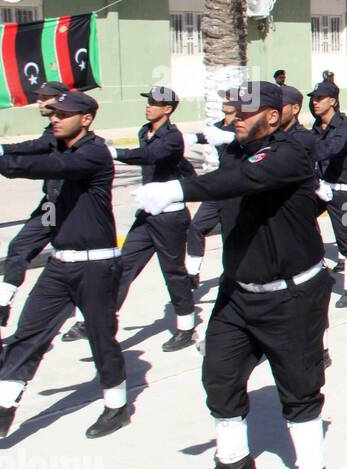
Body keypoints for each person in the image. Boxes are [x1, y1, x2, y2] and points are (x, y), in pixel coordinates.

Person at [139, 81, 331, 469]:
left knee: (298, 385)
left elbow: (248, 177)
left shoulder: (291, 151)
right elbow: (231, 176)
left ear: (273, 116)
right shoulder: (237, 153)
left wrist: (178, 189)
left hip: (291, 296)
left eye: (243, 114)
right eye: (231, 113)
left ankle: (311, 467)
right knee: (219, 375)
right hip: (239, 292)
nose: (234, 120)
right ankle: (234, 461)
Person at [0, 91, 130, 440]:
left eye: (63, 114)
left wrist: (5, 161)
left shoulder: (93, 153)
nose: (55, 119)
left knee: (101, 338)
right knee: (29, 333)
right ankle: (5, 405)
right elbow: (32, 153)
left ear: (86, 119)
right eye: (53, 113)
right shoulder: (58, 147)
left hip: (96, 266)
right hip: (59, 265)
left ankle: (117, 406)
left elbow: (49, 167)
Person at [93, 86, 198, 352]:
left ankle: (186, 328)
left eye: (154, 102)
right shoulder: (144, 131)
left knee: (173, 272)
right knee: (123, 265)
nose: (148, 106)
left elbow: (151, 156)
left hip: (170, 216)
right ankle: (102, 321)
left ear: (168, 109)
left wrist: (114, 152)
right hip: (148, 214)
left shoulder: (172, 138)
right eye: (148, 101)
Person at [0, 81, 65, 328]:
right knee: (21, 246)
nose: (39, 101)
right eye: (39, 97)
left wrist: (3, 150)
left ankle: (88, 319)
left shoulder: (66, 131)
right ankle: (3, 302)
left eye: (45, 98)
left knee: (75, 265)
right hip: (52, 207)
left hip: (72, 208)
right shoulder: (52, 129)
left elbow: (37, 147)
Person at [309, 81, 347, 308]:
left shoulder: (343, 127)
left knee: (346, 239)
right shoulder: (316, 126)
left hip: (344, 193)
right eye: (313, 98)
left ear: (333, 101)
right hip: (321, 188)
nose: (315, 102)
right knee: (301, 219)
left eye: (319, 98)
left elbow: (329, 150)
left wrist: (304, 149)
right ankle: (320, 269)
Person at [183, 93, 239, 286]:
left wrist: (231, 137)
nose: (226, 101)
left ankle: (232, 276)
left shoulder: (242, 125)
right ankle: (192, 273)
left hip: (238, 189)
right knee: (196, 226)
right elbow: (206, 136)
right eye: (225, 98)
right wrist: (191, 138)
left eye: (231, 99)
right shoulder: (217, 126)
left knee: (231, 235)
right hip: (220, 186)